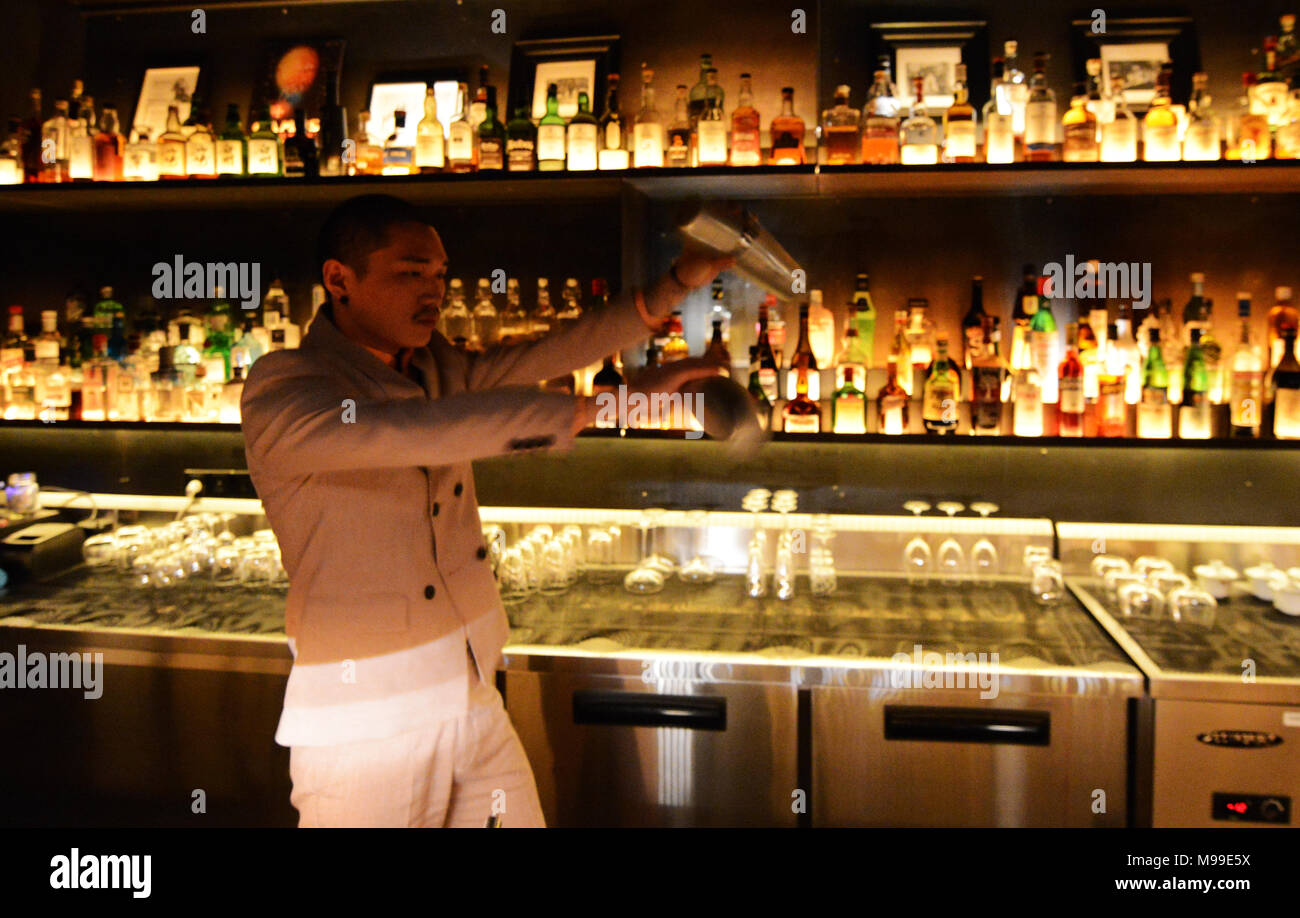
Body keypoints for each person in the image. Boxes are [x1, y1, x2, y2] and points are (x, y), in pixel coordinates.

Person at [240, 193, 733, 827]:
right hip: (365, 721)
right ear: (340, 280)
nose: (433, 291)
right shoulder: (287, 386)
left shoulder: (436, 365)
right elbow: (425, 431)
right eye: (410, 272)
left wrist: (675, 286)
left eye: (440, 275)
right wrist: (599, 407)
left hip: (471, 688)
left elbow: (552, 352)